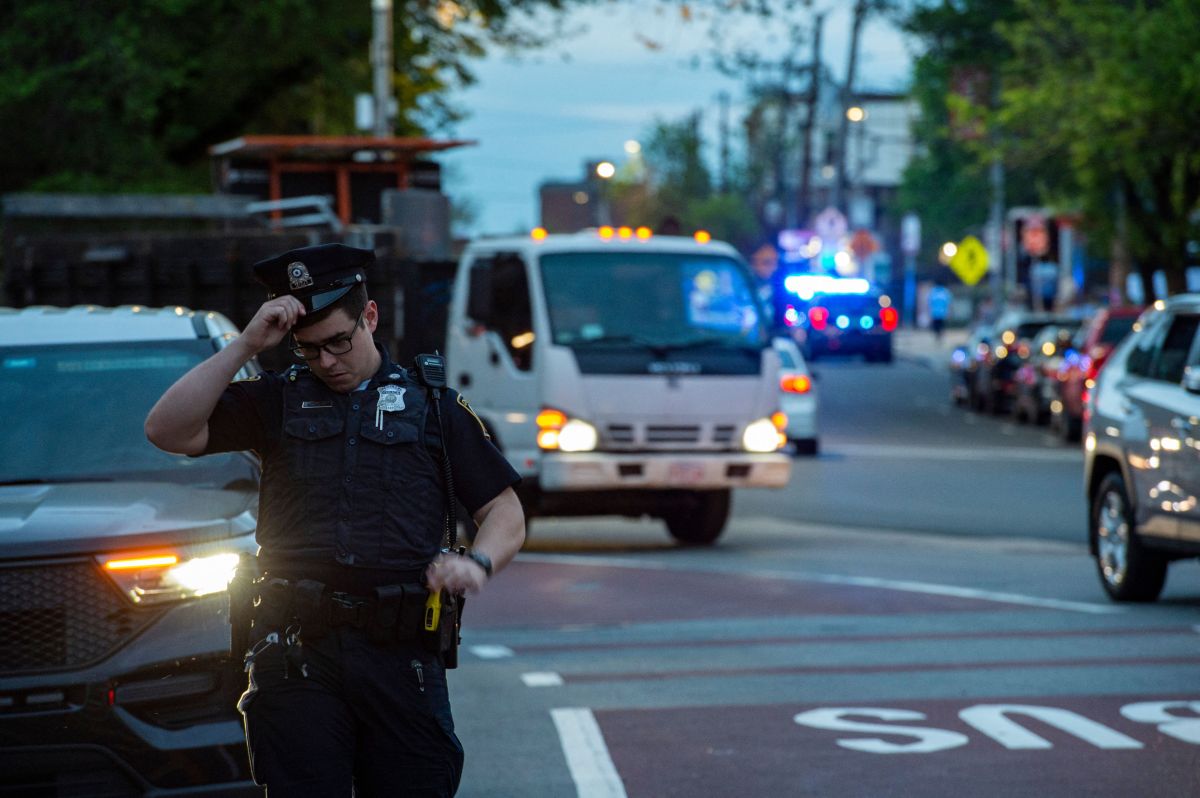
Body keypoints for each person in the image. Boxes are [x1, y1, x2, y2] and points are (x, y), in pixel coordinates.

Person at [144, 243, 525, 797]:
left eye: (338, 343)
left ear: (369, 318)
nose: (326, 362)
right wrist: (247, 343)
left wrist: (479, 562)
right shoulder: (278, 401)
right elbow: (167, 430)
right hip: (296, 653)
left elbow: (504, 510)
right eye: (308, 351)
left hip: (399, 658)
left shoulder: (434, 406)